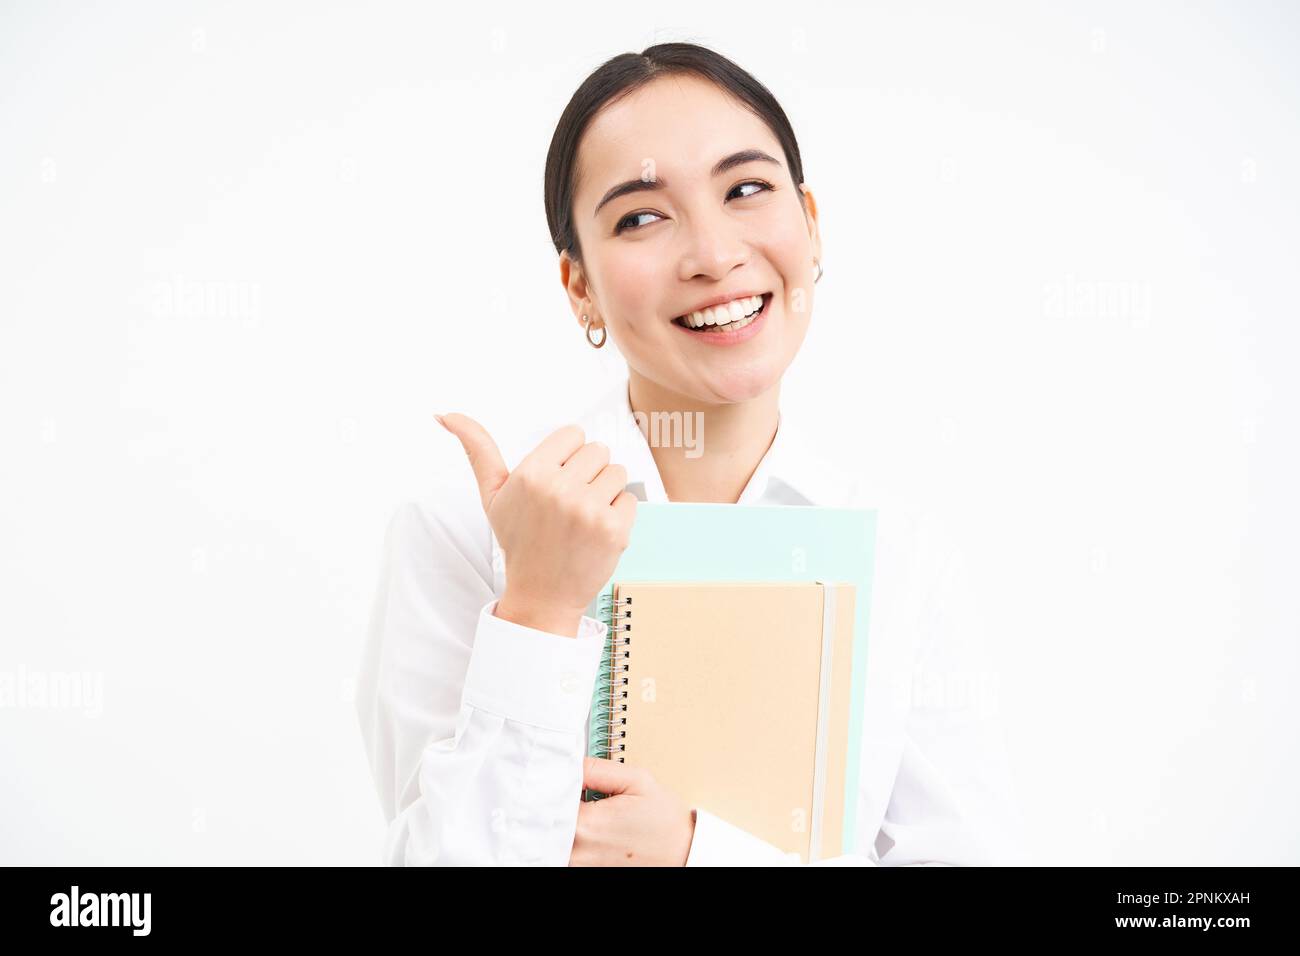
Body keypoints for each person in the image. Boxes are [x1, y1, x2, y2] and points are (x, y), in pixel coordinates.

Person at [354, 42, 1029, 866]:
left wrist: (697, 853)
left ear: (810, 227)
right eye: (641, 216)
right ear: (579, 288)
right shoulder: (464, 532)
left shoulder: (901, 556)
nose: (712, 254)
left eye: (745, 189)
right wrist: (536, 609)